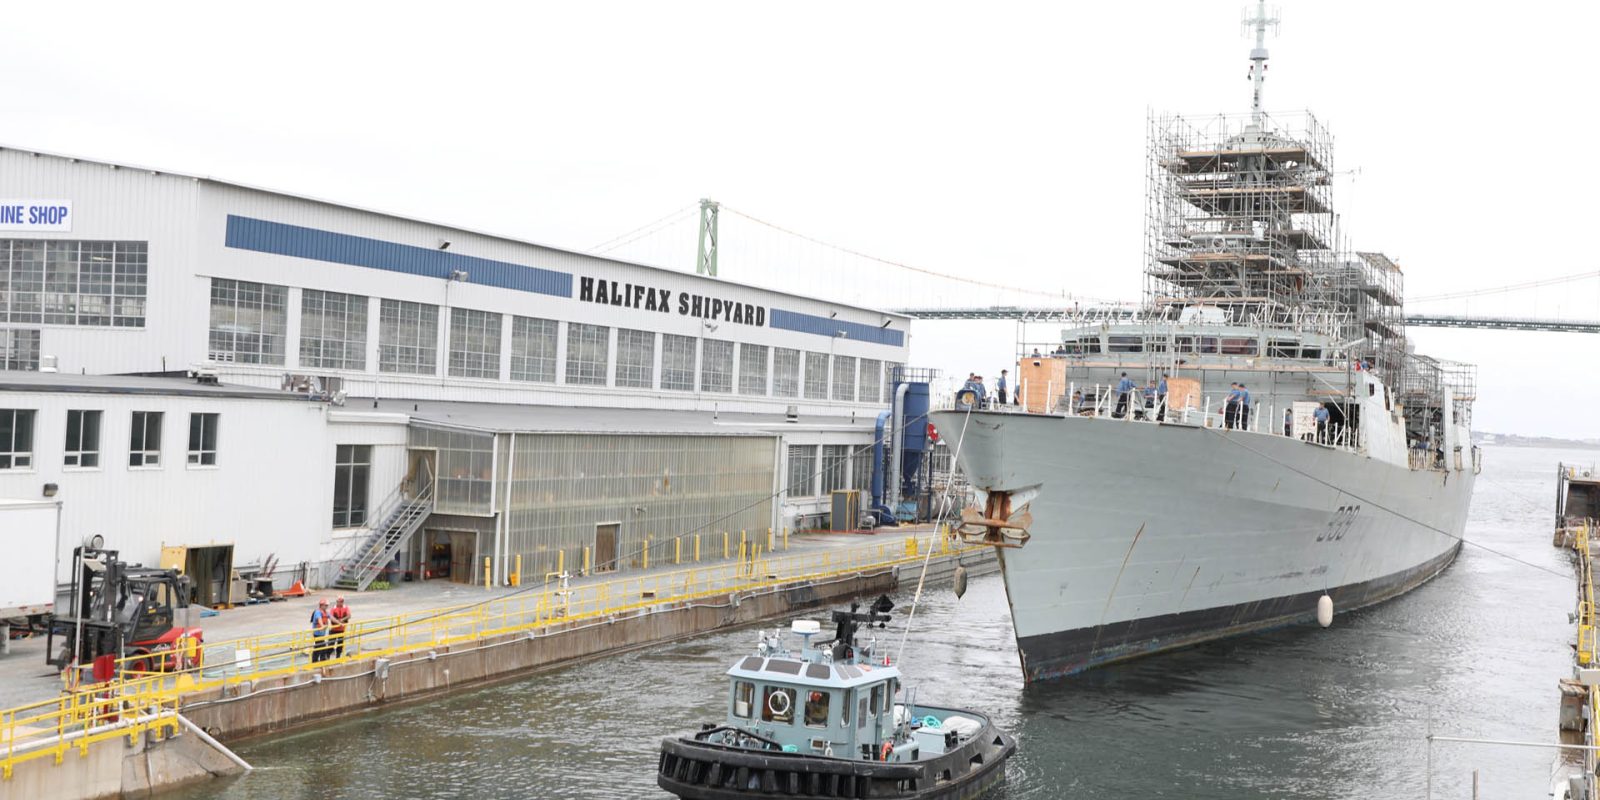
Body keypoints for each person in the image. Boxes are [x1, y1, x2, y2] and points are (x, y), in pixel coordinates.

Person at [310, 599, 332, 663]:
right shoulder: (317, 612)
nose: (327, 607)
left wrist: (339, 623)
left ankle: (318, 660)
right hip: (317, 633)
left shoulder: (325, 612)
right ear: (321, 605)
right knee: (320, 647)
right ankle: (317, 661)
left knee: (319, 647)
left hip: (322, 633)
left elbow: (331, 617)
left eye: (327, 605)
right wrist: (322, 626)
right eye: (326, 605)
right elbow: (319, 619)